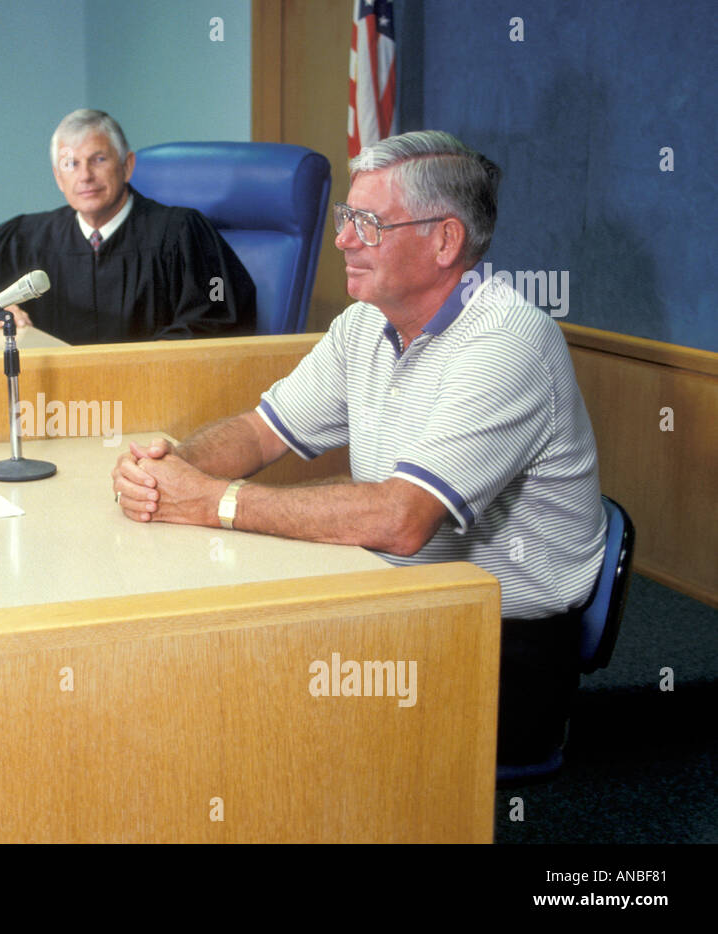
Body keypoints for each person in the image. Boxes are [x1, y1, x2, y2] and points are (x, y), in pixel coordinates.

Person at [111, 130, 605, 768]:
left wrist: (215, 503)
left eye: (367, 222)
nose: (342, 238)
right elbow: (264, 429)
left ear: (445, 240)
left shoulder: (508, 342)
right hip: (397, 601)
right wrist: (170, 468)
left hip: (499, 647)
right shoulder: (364, 323)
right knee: (209, 666)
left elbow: (401, 522)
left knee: (245, 707)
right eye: (347, 218)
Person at [0, 109, 256, 344]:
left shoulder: (182, 232)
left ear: (127, 166)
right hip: (56, 403)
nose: (84, 176)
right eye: (71, 164)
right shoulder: (33, 235)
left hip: (154, 403)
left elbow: (217, 318)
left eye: (99, 160)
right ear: (58, 178)